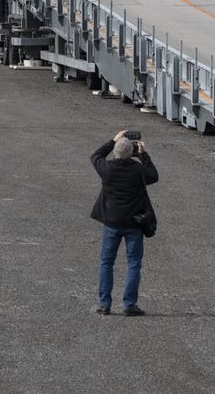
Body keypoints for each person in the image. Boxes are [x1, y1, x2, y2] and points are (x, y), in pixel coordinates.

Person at [90, 128, 158, 316]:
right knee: (133, 263)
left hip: (111, 222)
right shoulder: (138, 170)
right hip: (134, 224)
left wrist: (113, 140)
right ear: (132, 153)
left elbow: (96, 155)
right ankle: (129, 304)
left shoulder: (107, 169)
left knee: (106, 262)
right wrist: (144, 155)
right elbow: (154, 175)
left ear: (115, 153)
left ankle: (104, 304)